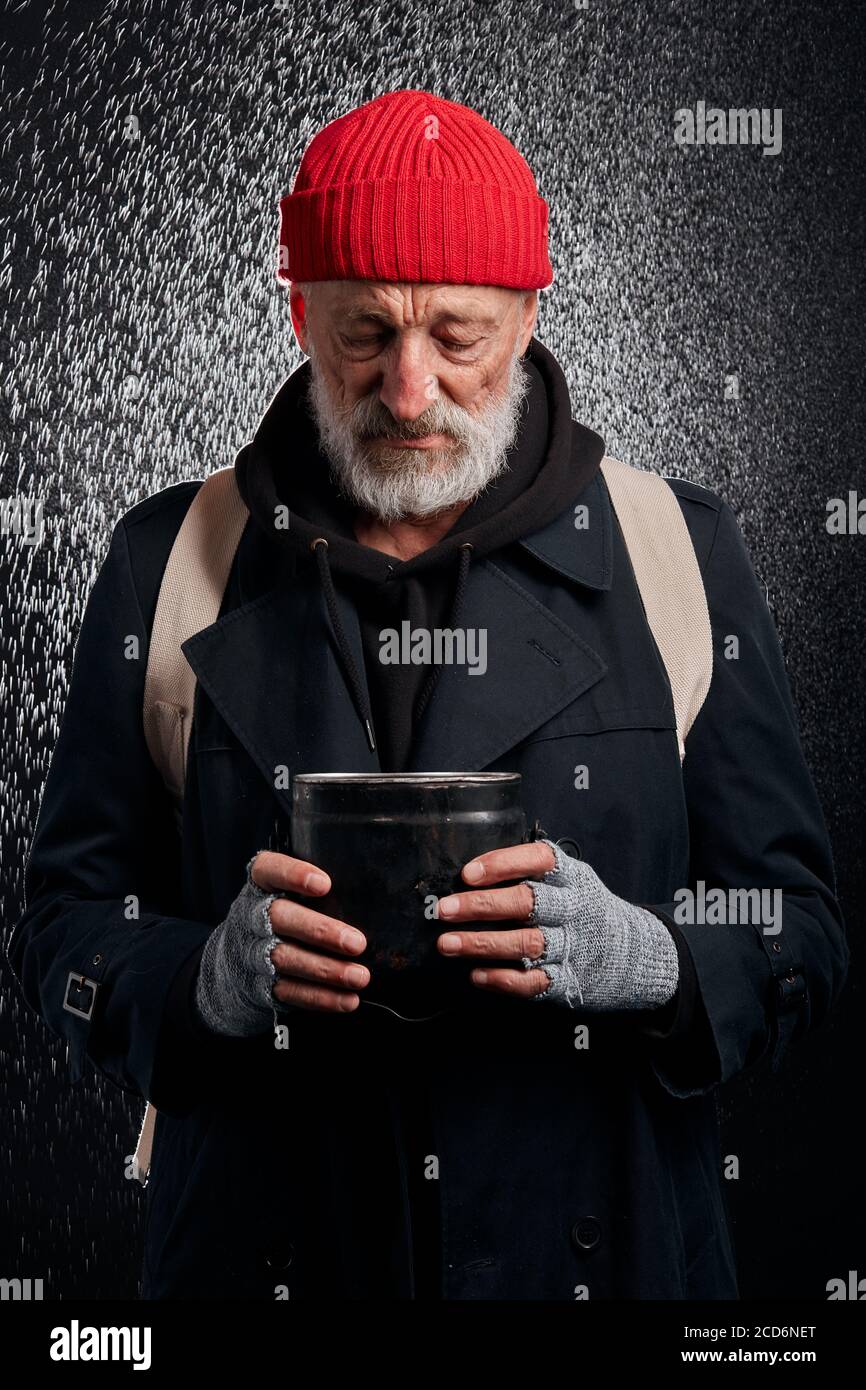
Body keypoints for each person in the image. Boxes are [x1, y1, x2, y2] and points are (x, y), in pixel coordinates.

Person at [9, 88, 848, 1301]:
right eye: (363, 332)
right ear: (297, 313)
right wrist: (202, 984)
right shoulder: (166, 557)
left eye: (454, 334)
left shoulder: (678, 550)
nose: (407, 391)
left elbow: (799, 926)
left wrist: (649, 960)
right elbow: (65, 920)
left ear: (525, 316)